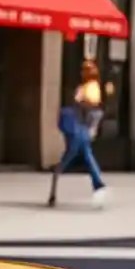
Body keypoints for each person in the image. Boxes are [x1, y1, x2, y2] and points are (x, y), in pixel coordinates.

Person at [48, 60, 109, 209]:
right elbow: (93, 110)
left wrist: (80, 105)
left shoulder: (86, 89)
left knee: (76, 156)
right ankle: (97, 183)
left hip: (80, 130)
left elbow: (84, 106)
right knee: (86, 156)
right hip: (82, 130)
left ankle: (54, 192)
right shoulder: (94, 89)